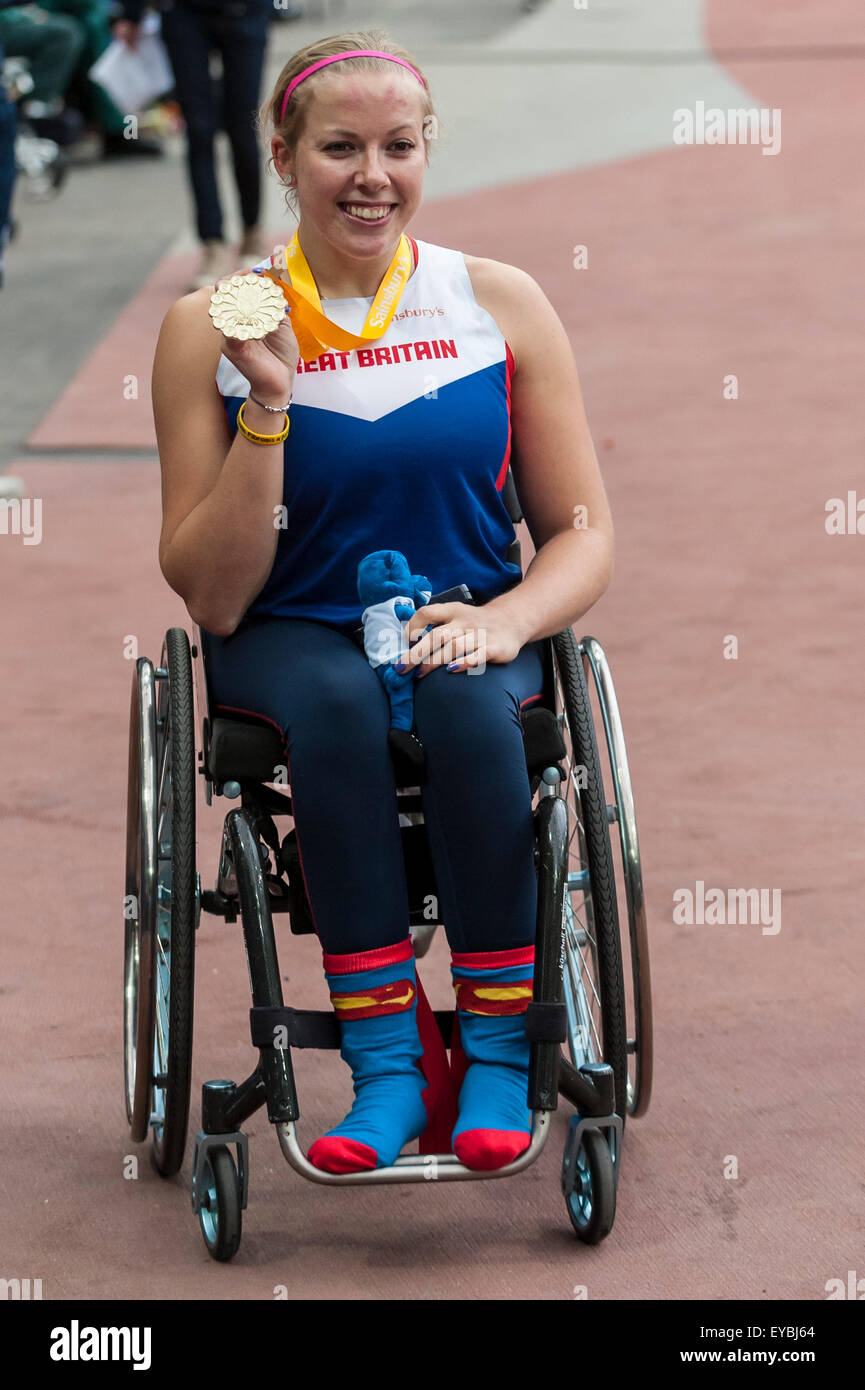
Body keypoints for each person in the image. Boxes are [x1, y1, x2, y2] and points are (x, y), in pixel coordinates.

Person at [151, 32, 615, 1175]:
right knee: (343, 713)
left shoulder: (496, 303)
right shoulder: (209, 326)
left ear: (425, 152)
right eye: (339, 147)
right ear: (282, 155)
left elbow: (582, 532)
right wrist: (268, 403)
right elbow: (210, 589)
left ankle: (501, 1049)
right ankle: (390, 1067)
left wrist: (504, 623)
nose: (372, 174)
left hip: (469, 616)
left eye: (397, 147)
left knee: (462, 702)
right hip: (287, 629)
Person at [114, 0, 293, 289]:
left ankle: (253, 232)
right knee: (198, 131)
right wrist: (131, 14)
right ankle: (212, 245)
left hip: (247, 12)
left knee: (244, 126)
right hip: (183, 12)